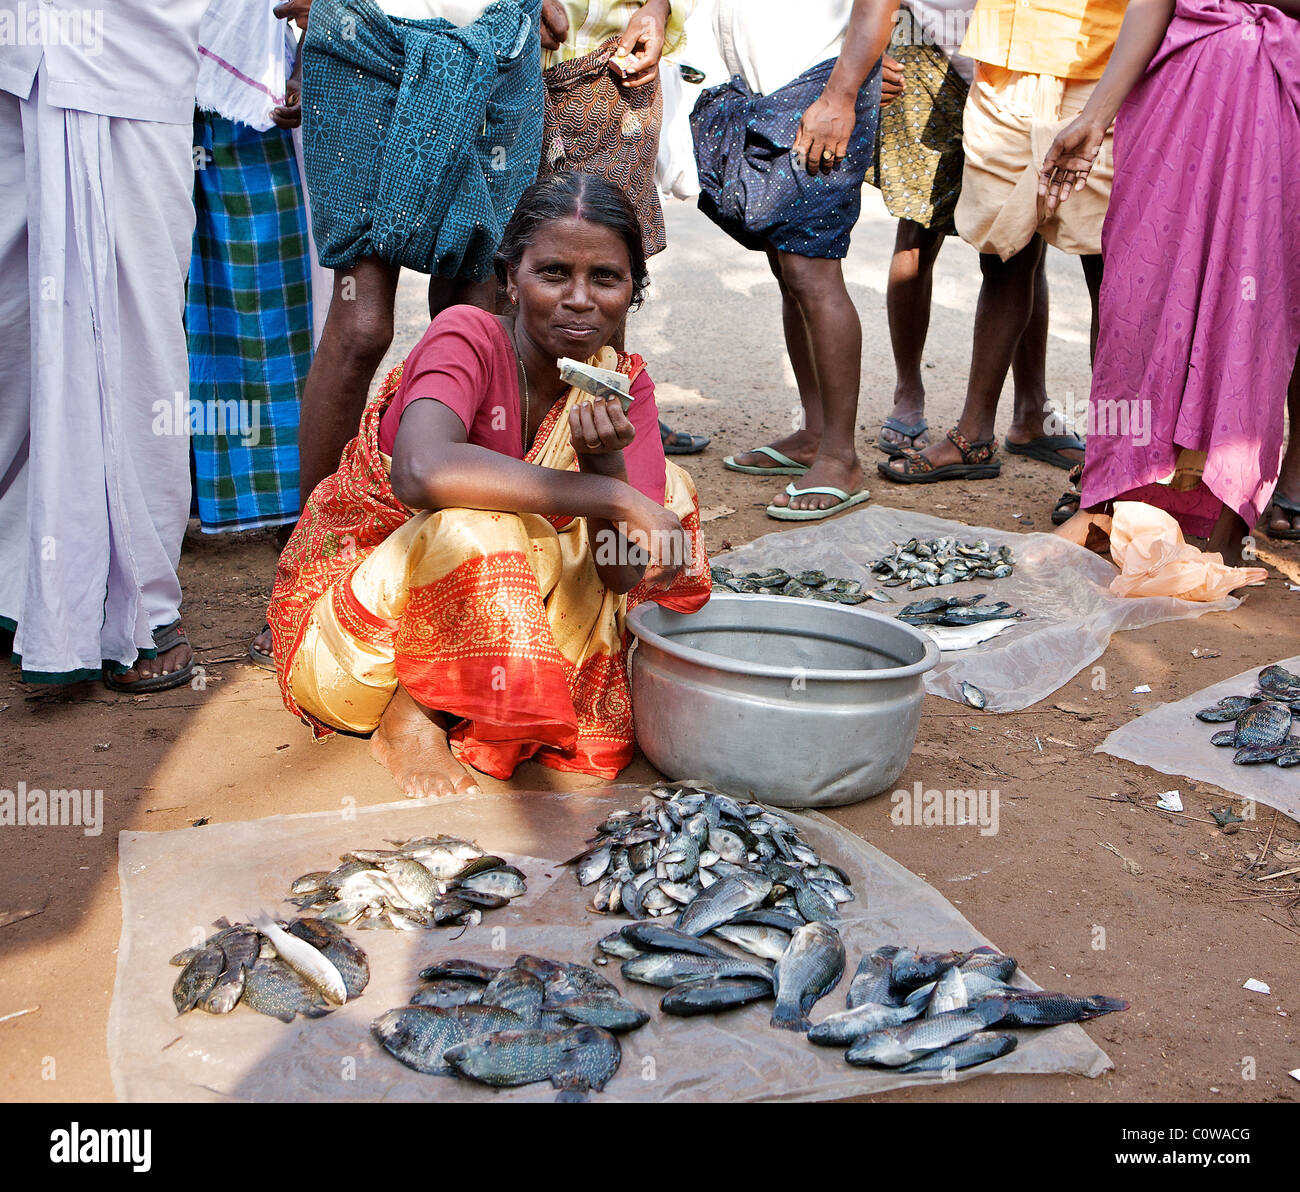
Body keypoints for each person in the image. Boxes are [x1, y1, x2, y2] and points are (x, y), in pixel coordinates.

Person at [267, 173, 711, 797]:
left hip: (493, 629)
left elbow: (618, 578)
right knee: (485, 519)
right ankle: (411, 715)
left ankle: (478, 701)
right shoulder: (467, 335)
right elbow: (422, 472)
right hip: (360, 643)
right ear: (509, 280)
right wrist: (611, 496)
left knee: (668, 489)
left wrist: (607, 467)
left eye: (605, 278)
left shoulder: (622, 382)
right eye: (553, 272)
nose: (579, 299)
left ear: (633, 289)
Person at [247, 0, 547, 664]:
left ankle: (472, 573)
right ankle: (310, 569)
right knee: (360, 325)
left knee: (477, 317)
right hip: (362, 38)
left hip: (494, 44)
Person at [1041, 0, 1299, 565]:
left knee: (1251, 305)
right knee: (1137, 294)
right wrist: (1094, 116)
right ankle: (1113, 494)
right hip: (1179, 87)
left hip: (1278, 85)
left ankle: (1229, 521)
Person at [0, 0, 207, 691]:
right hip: (18, 52)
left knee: (135, 332)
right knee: (18, 325)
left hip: (127, 56)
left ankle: (133, 609)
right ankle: (20, 580)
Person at [878, 0, 1124, 486]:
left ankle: (1112, 461)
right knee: (1004, 252)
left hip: (1102, 65)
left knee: (1111, 271)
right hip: (1002, 66)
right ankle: (974, 437)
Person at [701, 0, 901, 520]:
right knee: (788, 268)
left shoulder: (834, 91)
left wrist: (844, 90)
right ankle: (815, 434)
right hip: (768, 90)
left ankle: (840, 457)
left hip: (820, 87)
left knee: (813, 272)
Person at [872, 0, 1051, 460]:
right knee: (918, 225)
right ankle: (908, 391)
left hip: (1026, 53)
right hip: (926, 46)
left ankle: (1033, 409)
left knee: (1021, 237)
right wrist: (867, 48)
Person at [539, 0, 710, 456]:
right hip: (518, 68)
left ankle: (611, 416)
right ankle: (519, 424)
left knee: (606, 261)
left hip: (621, 78)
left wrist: (658, 8)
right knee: (514, 264)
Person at [189, 2, 315, 546]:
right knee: (152, 306)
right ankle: (164, 500)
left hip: (249, 103)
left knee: (263, 294)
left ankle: (285, 497)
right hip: (133, 84)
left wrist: (307, 60)